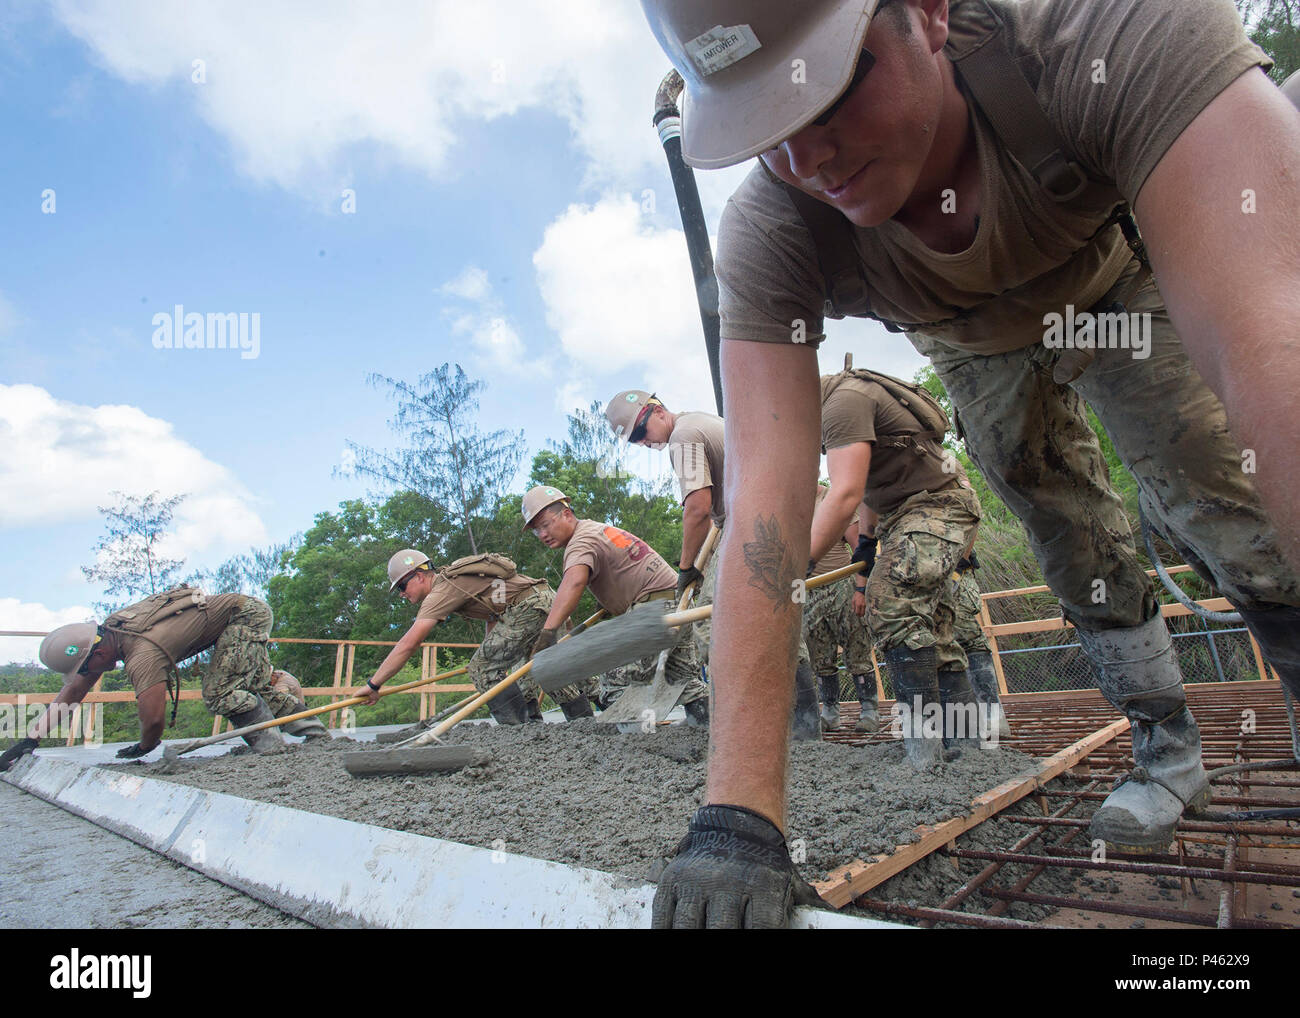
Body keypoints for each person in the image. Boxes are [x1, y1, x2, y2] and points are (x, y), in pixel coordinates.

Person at [641, 0, 1300, 926]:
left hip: (1112, 285)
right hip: (972, 342)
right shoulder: (775, 229)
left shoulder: (1099, 37)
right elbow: (765, 507)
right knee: (1069, 534)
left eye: (834, 88)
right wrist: (738, 814)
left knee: (1226, 498)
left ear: (927, 13)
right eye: (768, 129)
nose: (809, 158)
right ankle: (1166, 749)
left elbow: (1273, 339)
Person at [810, 366, 983, 764]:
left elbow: (845, 493)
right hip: (909, 514)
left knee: (891, 604)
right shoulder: (840, 409)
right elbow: (871, 487)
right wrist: (867, 544)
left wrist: (798, 567)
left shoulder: (841, 404)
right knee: (932, 624)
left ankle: (922, 750)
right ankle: (967, 745)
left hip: (938, 504)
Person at [5, 588, 318, 769]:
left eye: (86, 669)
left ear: (96, 655)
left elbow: (153, 719)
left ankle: (270, 749)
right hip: (238, 612)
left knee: (221, 692)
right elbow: (73, 691)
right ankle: (317, 734)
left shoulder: (142, 654)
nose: (87, 677)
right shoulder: (112, 631)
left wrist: (145, 745)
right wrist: (30, 739)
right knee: (254, 686)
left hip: (243, 616)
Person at [521, 485, 709, 723]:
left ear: (566, 514)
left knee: (615, 681)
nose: (543, 534)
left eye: (545, 524)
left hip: (652, 611)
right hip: (677, 605)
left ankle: (638, 743)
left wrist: (548, 633)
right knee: (680, 678)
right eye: (536, 530)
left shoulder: (581, 541)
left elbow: (574, 583)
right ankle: (705, 726)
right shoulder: (595, 530)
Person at [358, 549, 598, 723]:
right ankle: (580, 721)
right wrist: (489, 654)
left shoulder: (441, 590)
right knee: (538, 668)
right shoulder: (456, 580)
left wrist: (374, 684)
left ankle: (520, 731)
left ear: (419, 576)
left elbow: (410, 643)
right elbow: (494, 616)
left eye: (401, 587)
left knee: (482, 669)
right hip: (543, 600)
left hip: (529, 607)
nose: (401, 594)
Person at [605, 390, 725, 670]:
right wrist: (702, 564)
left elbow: (697, 509)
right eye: (634, 441)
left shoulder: (682, 438)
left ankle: (734, 710)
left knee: (710, 628)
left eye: (640, 432)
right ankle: (802, 707)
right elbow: (709, 515)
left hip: (746, 525)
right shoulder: (700, 421)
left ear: (658, 411)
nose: (643, 443)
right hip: (763, 518)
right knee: (767, 615)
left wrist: (685, 569)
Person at [803, 485, 875, 732]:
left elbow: (859, 548)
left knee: (857, 649)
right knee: (820, 656)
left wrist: (860, 589)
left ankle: (869, 711)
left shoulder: (831, 499)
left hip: (841, 585)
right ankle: (831, 712)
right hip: (807, 590)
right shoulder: (789, 504)